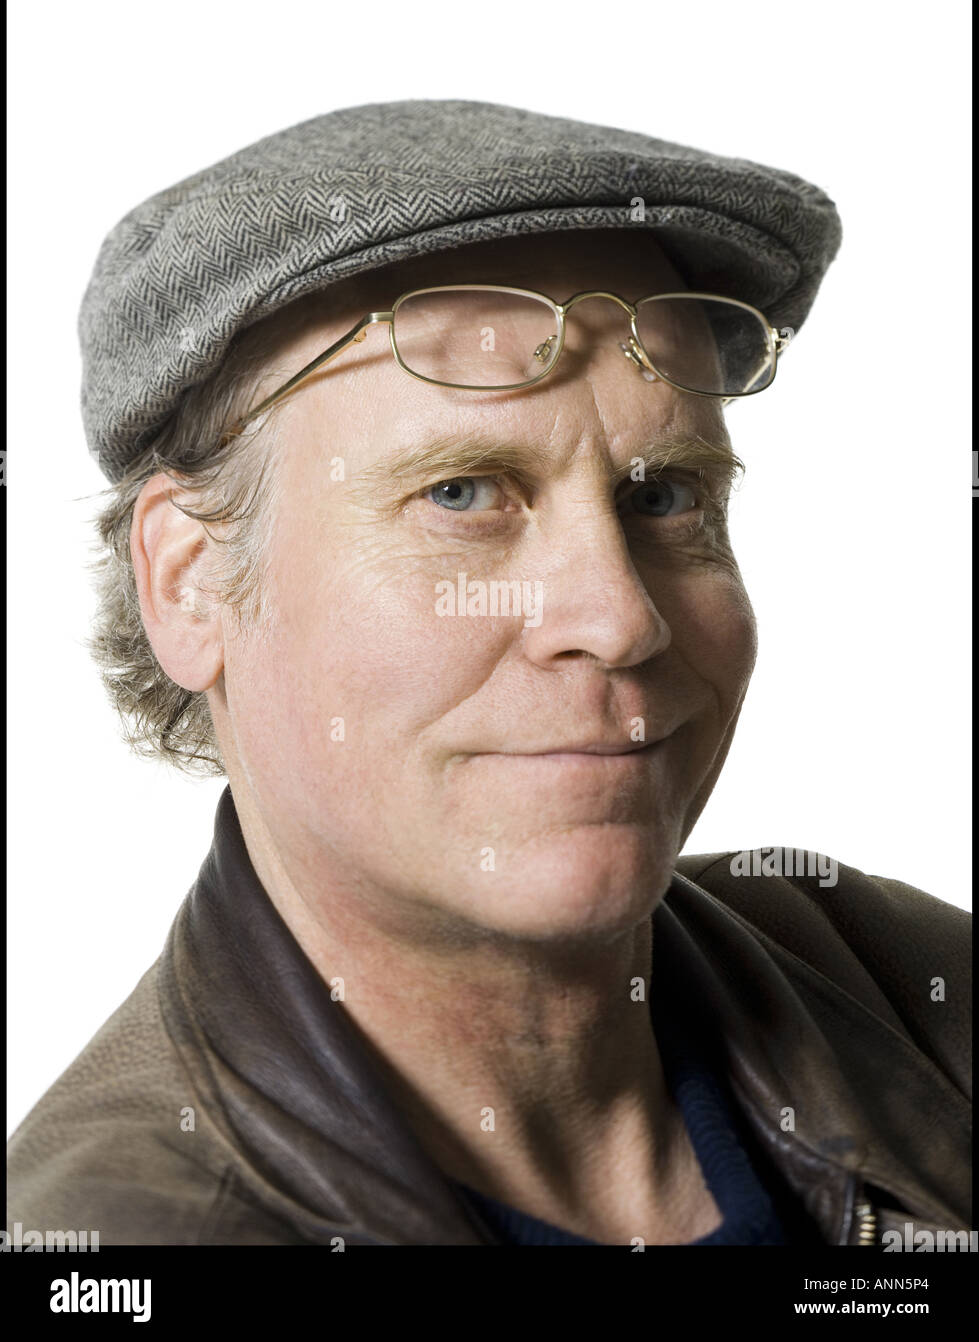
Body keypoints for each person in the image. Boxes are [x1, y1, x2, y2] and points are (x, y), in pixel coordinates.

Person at [6, 100, 970, 1247]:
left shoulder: (896, 977)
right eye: (461, 494)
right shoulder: (119, 1239)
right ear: (189, 583)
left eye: (663, 496)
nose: (617, 619)